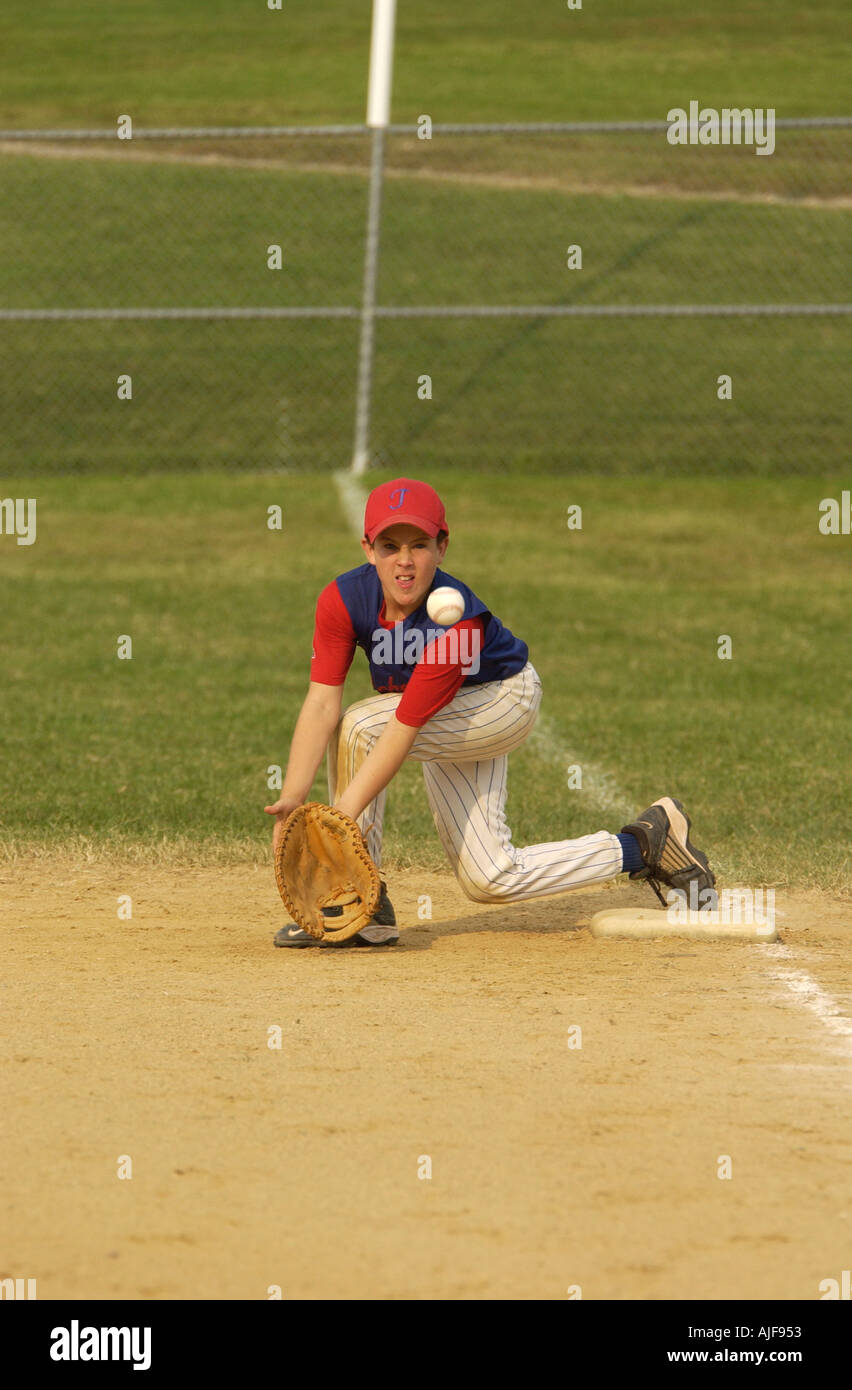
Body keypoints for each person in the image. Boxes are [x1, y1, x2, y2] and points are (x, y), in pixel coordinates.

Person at [264, 477, 714, 947]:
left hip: (501, 701)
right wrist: (293, 798)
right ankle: (647, 845)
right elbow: (320, 700)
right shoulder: (342, 600)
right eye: (389, 544)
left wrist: (339, 824)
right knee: (490, 877)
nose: (404, 560)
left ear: (442, 546)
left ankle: (359, 897)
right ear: (368, 549)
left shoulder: (459, 624)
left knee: (362, 724)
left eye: (419, 544)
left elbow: (403, 726)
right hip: (443, 716)